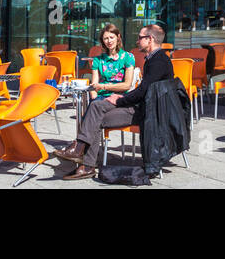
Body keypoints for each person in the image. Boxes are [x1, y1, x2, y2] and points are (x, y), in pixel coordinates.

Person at [54, 23, 174, 180]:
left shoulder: (157, 61)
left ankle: (82, 155)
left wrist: (120, 99)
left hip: (145, 112)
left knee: (94, 113)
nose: (137, 41)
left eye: (139, 38)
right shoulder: (155, 59)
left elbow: (140, 92)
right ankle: (84, 160)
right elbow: (142, 91)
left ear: (150, 39)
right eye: (105, 38)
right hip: (140, 107)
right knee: (95, 113)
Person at [88, 24, 135, 99]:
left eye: (111, 37)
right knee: (94, 106)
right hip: (101, 97)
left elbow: (127, 85)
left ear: (118, 37)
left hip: (120, 98)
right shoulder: (98, 60)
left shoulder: (128, 57)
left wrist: (104, 86)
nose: (109, 41)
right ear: (103, 41)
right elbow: (94, 85)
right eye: (106, 38)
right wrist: (94, 97)